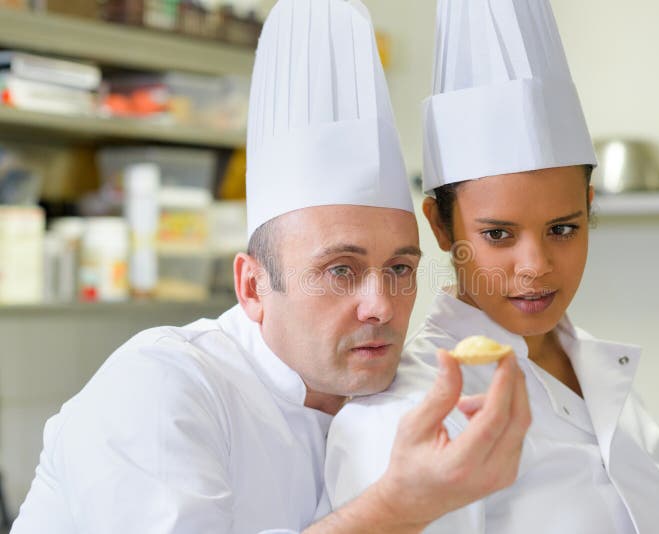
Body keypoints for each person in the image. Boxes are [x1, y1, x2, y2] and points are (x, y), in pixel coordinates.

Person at [10, 1, 531, 533]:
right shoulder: (162, 386)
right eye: (340, 271)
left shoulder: (398, 398)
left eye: (400, 268)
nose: (381, 306)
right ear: (253, 286)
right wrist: (399, 507)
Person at [324, 0, 659, 532]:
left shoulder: (604, 377)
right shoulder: (404, 419)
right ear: (442, 226)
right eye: (498, 235)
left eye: (563, 228)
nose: (535, 267)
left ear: (589, 207)